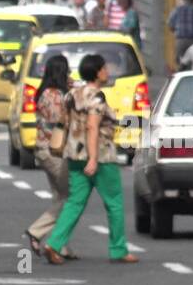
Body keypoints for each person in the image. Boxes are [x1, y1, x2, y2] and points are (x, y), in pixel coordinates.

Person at [43, 53, 139, 265]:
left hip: (73, 154)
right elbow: (92, 126)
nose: (107, 71)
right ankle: (118, 249)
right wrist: (93, 159)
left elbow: (65, 123)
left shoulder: (71, 95)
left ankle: (54, 243)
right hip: (100, 155)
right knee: (114, 203)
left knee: (74, 202)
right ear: (97, 72)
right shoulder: (96, 97)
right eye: (104, 68)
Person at [25, 54, 76, 260]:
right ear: (61, 73)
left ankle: (60, 246)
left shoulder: (45, 93)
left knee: (59, 196)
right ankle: (36, 231)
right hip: (54, 152)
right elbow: (63, 121)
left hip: (44, 151)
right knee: (71, 199)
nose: (71, 74)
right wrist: (72, 94)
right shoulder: (55, 96)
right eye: (68, 71)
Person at [168, 0, 193, 70]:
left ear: (184, 0)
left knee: (180, 61)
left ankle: (182, 72)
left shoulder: (177, 10)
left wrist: (176, 31)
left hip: (180, 40)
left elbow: (170, 25)